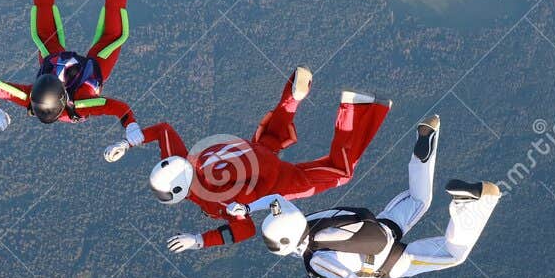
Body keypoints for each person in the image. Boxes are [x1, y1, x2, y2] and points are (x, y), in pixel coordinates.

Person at [260, 115, 502, 278]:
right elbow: (277, 199)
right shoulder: (304, 220)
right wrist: (246, 208)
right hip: (381, 227)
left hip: (391, 262)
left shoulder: (317, 259)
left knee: (454, 255)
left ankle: (468, 204)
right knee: (420, 199)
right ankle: (424, 150)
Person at [148, 68, 391, 251]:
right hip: (250, 153)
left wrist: (199, 241)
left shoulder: (217, 200)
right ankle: (292, 98)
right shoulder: (182, 160)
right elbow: (163, 130)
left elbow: (245, 229)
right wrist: (129, 140)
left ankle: (356, 108)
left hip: (271, 180)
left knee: (340, 173)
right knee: (271, 138)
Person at [0, 0, 143, 161]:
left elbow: (119, 108)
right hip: (62, 62)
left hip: (84, 70)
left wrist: (131, 125)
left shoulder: (78, 103)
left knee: (112, 36)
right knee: (46, 32)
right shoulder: (29, 97)